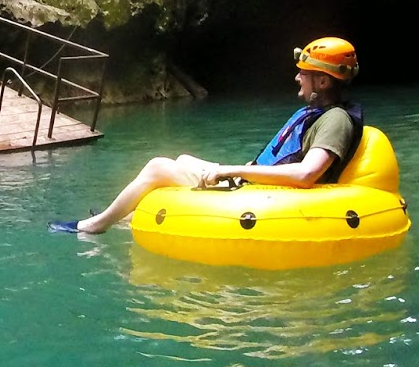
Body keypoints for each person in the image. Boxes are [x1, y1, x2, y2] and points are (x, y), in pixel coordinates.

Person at [51, 37, 364, 235]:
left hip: (270, 199)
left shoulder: (335, 121)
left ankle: (95, 226)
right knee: (184, 159)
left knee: (160, 166)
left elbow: (307, 173)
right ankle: (126, 219)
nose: (297, 77)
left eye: (304, 74)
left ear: (323, 83)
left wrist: (233, 170)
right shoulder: (317, 114)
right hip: (255, 186)